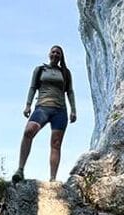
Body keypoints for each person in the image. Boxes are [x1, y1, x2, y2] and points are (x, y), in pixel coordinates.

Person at [12, 45, 77, 183]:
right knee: (28, 131)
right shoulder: (40, 69)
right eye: (53, 52)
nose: (55, 54)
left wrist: (74, 110)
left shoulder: (65, 72)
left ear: (61, 56)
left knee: (56, 143)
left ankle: (53, 179)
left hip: (60, 111)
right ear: (49, 54)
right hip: (42, 108)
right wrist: (28, 105)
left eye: (58, 53)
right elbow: (32, 88)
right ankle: (20, 169)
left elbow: (70, 92)